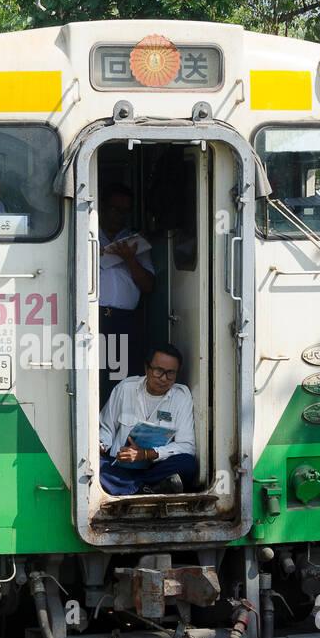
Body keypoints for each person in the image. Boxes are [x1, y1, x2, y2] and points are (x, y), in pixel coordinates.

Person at [98, 345, 197, 496]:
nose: (164, 378)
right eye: (158, 371)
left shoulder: (181, 396)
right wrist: (102, 444)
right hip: (120, 467)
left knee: (187, 463)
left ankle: (132, 489)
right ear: (147, 368)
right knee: (94, 463)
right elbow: (106, 428)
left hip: (154, 468)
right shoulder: (126, 388)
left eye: (170, 373)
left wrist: (146, 454)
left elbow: (187, 446)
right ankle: (145, 490)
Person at [98, 183, 154, 404]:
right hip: (93, 318)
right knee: (94, 376)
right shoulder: (86, 235)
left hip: (123, 321)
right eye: (115, 209)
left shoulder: (133, 241)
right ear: (102, 207)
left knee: (122, 381)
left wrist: (130, 259)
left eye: (125, 211)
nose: (119, 215)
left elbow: (149, 285)